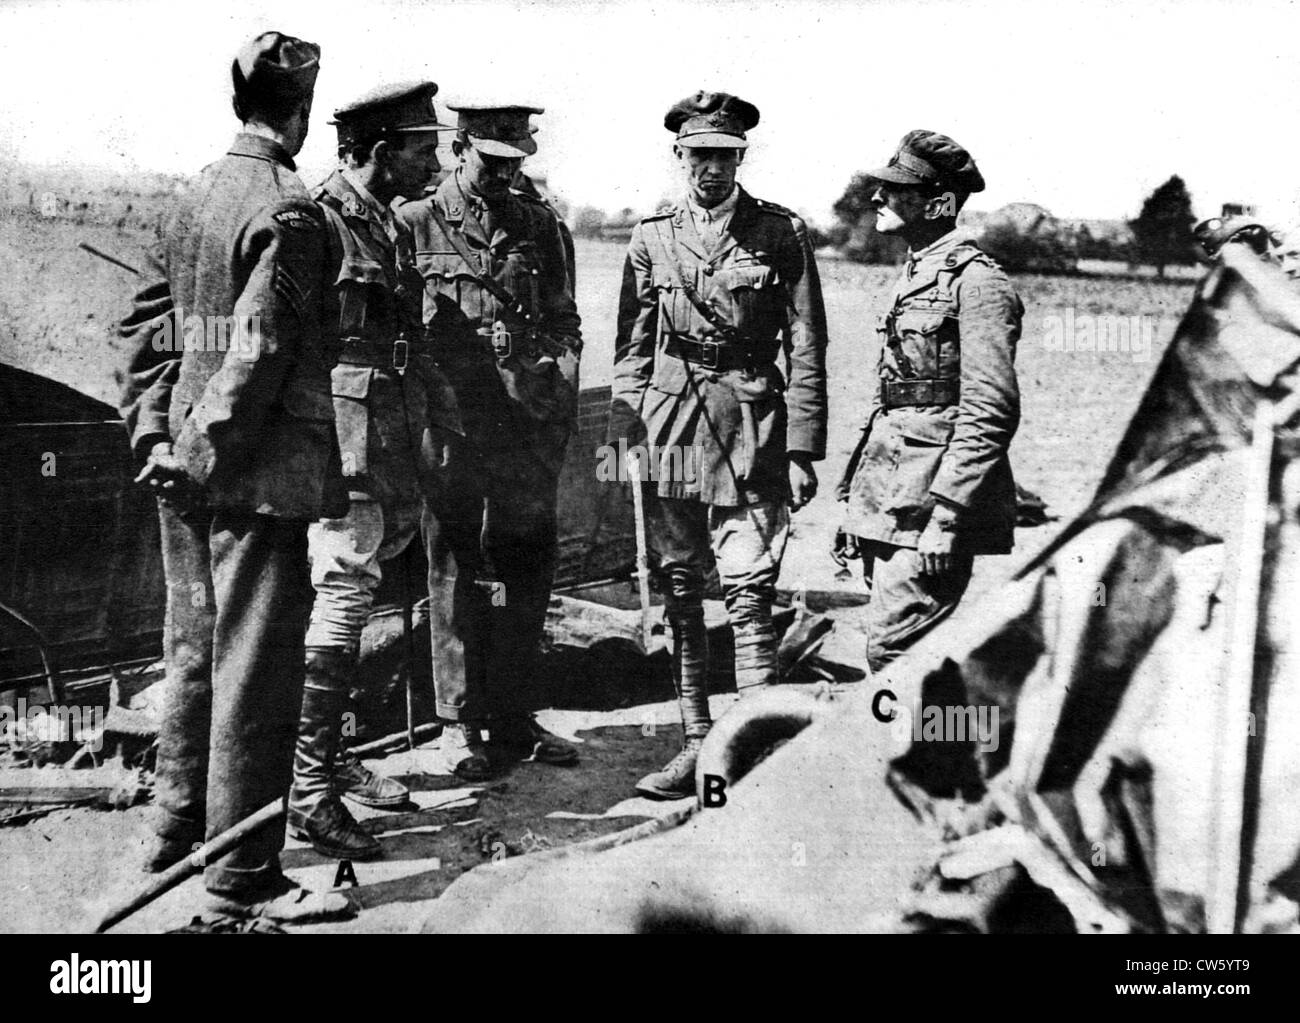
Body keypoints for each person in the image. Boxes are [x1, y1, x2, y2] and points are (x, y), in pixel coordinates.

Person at [117, 32, 353, 921]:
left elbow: (143, 332)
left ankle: (176, 830)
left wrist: (155, 440)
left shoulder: (194, 194)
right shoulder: (292, 210)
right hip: (249, 478)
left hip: (181, 463)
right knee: (253, 669)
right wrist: (202, 458)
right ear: (300, 110)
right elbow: (256, 353)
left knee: (190, 652)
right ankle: (241, 875)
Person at [607, 91, 829, 799]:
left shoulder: (780, 233)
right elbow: (633, 346)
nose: (711, 168)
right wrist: (625, 423)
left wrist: (801, 448)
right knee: (679, 585)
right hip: (672, 422)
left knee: (748, 584)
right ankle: (696, 745)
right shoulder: (652, 237)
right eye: (699, 155)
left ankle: (752, 746)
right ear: (680, 157)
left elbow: (808, 343)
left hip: (751, 422)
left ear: (741, 158)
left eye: (724, 156)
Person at [288, 82, 463, 860]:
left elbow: (405, 337)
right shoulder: (319, 218)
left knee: (354, 595)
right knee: (341, 590)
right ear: (381, 148)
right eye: (423, 146)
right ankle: (310, 791)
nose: (435, 159)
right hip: (339, 438)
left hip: (383, 430)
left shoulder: (384, 222)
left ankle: (329, 759)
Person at [396, 103, 582, 780]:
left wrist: (557, 390)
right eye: (491, 161)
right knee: (452, 568)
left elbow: (564, 319)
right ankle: (457, 723)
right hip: (453, 426)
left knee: (527, 566)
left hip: (524, 428)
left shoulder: (538, 225)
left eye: (516, 163)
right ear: (461, 147)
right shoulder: (414, 222)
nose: (505, 175)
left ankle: (515, 717)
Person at [834, 130, 1022, 675]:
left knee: (896, 653)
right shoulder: (914, 274)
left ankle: (930, 758)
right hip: (891, 496)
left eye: (897, 189)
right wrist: (856, 505)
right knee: (895, 653)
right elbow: (890, 402)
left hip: (932, 504)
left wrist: (947, 514)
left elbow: (990, 411)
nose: (877, 198)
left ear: (938, 202)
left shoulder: (979, 284)